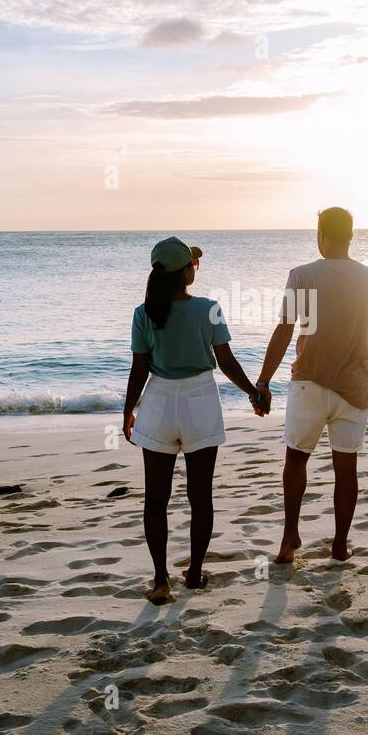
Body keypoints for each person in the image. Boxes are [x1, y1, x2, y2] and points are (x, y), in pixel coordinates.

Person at [123, 237, 266, 603]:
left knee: (156, 499)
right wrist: (253, 392)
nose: (194, 268)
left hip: (158, 402)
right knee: (200, 496)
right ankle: (195, 573)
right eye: (193, 264)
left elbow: (139, 369)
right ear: (184, 271)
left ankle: (159, 580)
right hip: (201, 400)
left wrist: (128, 412)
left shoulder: (144, 312)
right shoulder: (210, 308)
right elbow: (226, 362)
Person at [256, 207, 368, 564]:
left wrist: (263, 380)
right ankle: (339, 544)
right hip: (354, 387)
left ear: (320, 235)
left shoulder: (302, 275)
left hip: (308, 384)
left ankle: (289, 537)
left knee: (295, 459)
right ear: (351, 236)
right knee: (346, 468)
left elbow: (285, 330)